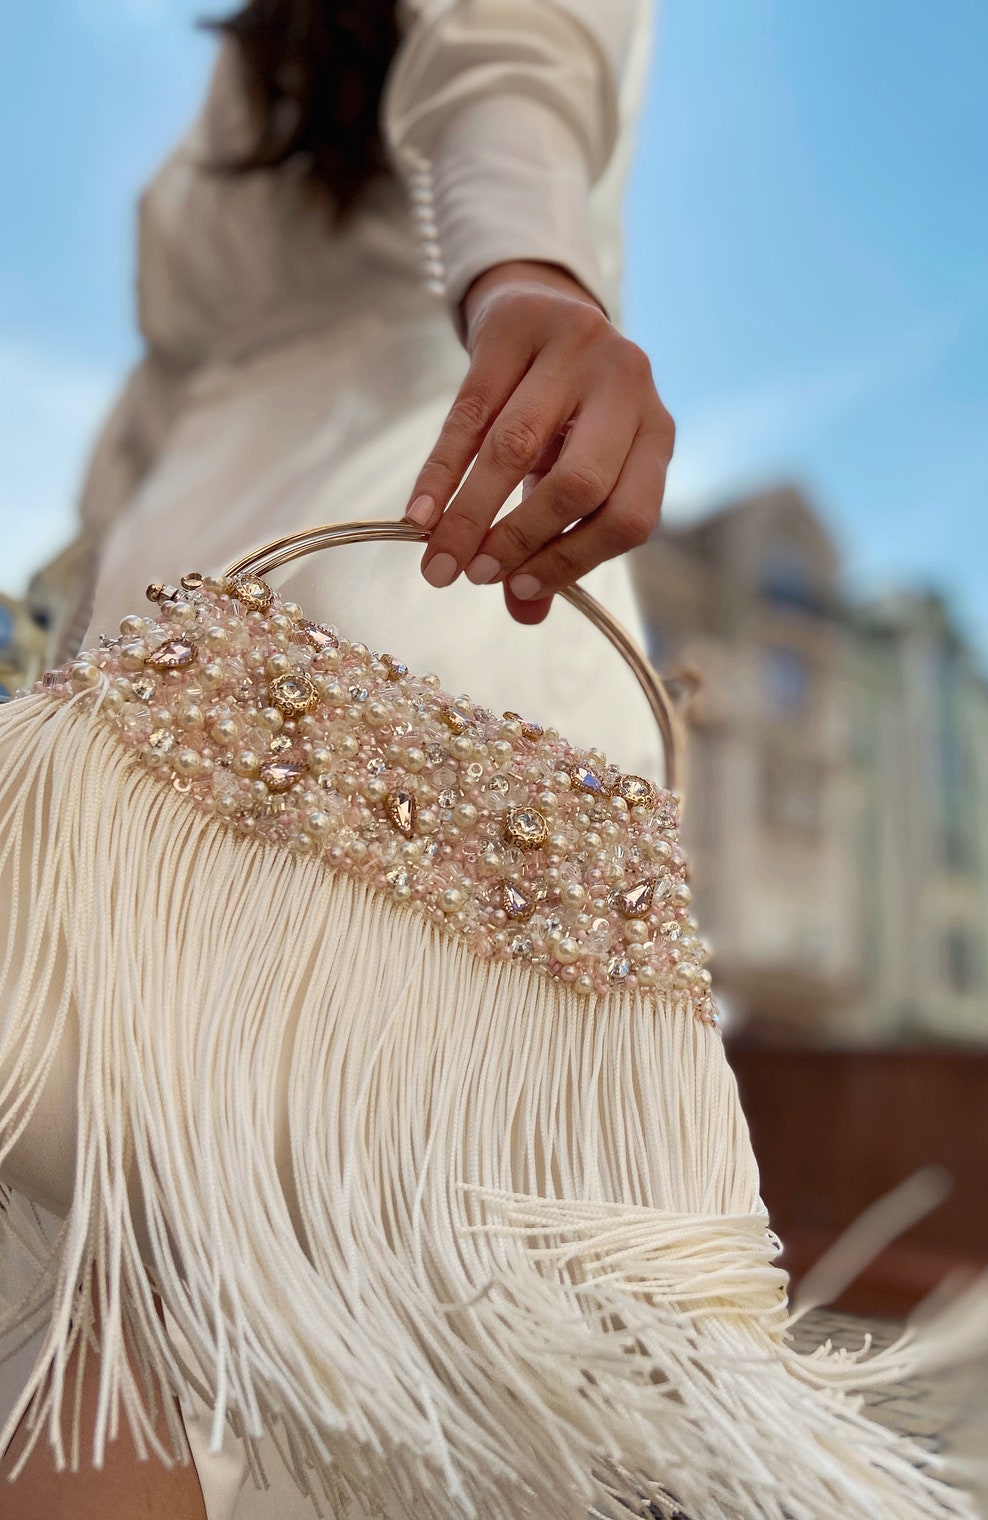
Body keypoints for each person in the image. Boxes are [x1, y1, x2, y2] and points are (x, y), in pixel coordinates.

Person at [1, 1, 672, 1515]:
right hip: (177, 602)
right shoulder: (249, 70)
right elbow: (158, 406)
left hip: (426, 533)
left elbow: (508, 66)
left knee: (174, 1273)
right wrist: (62, 639)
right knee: (119, 1271)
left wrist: (532, 282)